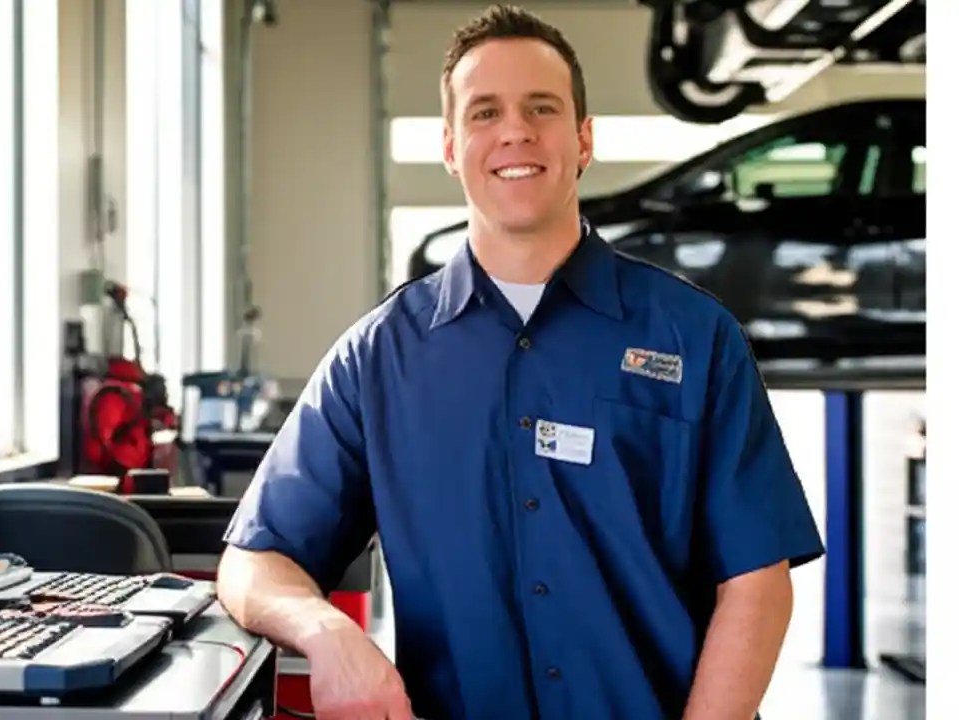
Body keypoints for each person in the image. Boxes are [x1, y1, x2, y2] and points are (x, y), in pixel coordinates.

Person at [216, 4, 825, 718]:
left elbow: (756, 577)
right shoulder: (379, 358)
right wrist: (326, 633)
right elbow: (254, 562)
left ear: (584, 138)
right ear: (450, 146)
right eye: (484, 113)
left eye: (542, 107)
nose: (515, 131)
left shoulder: (694, 337)